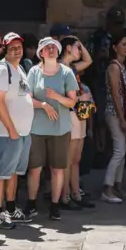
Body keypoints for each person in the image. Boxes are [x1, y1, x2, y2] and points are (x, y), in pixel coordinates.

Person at [25, 37, 78, 219]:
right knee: (35, 168)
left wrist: (56, 97)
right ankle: (31, 203)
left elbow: (73, 101)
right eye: (46, 48)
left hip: (60, 129)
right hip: (37, 128)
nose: (50, 50)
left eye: (53, 47)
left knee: (57, 168)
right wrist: (44, 105)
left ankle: (55, 205)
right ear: (41, 53)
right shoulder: (33, 72)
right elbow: (27, 99)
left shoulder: (66, 73)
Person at [0, 33, 34, 228]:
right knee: (2, 172)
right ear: (6, 49)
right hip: (8, 133)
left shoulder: (20, 68)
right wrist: (11, 129)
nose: (17, 50)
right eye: (12, 47)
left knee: (14, 171)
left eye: (19, 46)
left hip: (23, 132)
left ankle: (10, 208)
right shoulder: (1, 70)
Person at [60, 37, 96, 210]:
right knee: (68, 159)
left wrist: (79, 42)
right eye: (77, 48)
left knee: (76, 159)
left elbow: (89, 61)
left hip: (79, 114)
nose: (80, 51)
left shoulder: (73, 68)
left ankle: (76, 193)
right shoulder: (60, 69)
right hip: (70, 114)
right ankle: (65, 196)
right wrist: (80, 98)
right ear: (68, 48)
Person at [102, 31, 126, 203]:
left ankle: (118, 186)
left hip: (122, 113)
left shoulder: (122, 67)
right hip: (115, 113)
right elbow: (115, 95)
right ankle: (107, 188)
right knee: (119, 150)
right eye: (123, 44)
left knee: (122, 151)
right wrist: (122, 118)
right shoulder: (114, 67)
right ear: (115, 47)